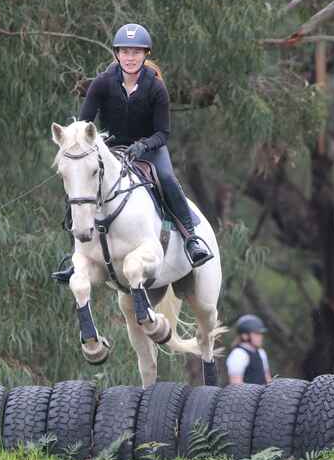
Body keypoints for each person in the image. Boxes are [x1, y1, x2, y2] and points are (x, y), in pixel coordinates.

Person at [52, 22, 213, 283]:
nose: (130, 57)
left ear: (145, 54)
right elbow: (83, 125)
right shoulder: (102, 84)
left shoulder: (156, 87)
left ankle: (191, 238)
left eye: (136, 52)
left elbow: (163, 133)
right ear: (117, 54)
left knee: (168, 178)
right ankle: (75, 255)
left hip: (150, 149)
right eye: (125, 52)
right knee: (79, 181)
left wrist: (144, 145)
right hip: (112, 150)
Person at [226, 314, 272, 385]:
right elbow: (236, 385)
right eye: (256, 334)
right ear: (245, 335)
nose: (260, 337)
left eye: (260, 334)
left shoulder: (261, 352)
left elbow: (268, 379)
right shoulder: (238, 354)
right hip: (246, 395)